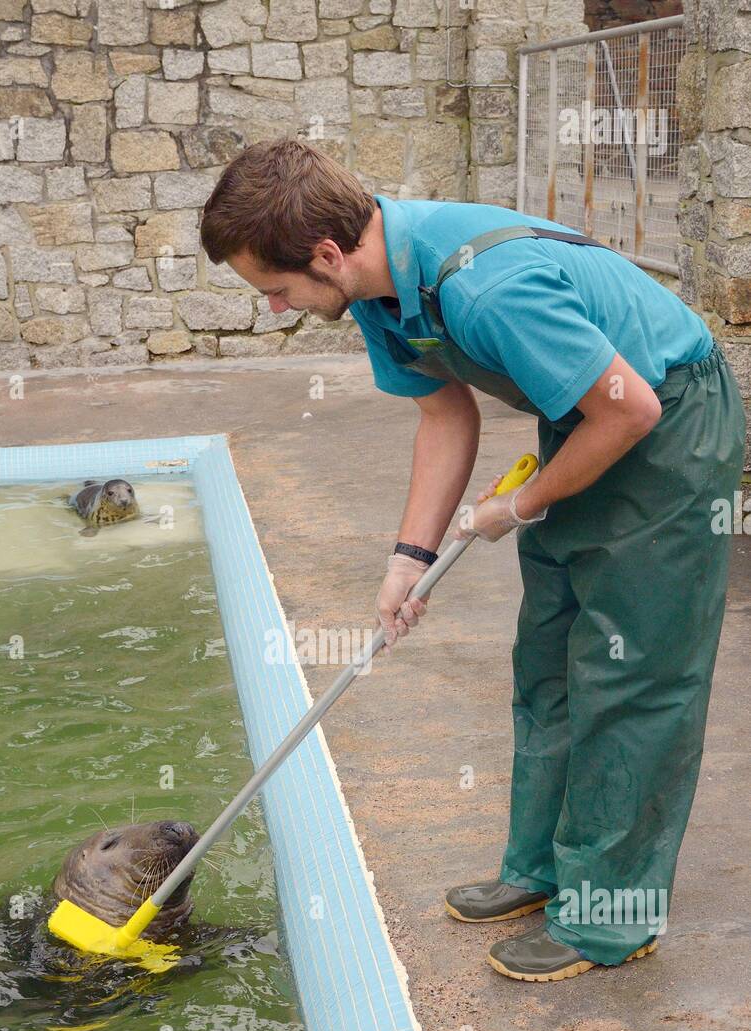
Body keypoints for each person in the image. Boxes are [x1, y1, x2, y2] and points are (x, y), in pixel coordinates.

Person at [200, 139, 746, 983]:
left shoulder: (487, 288)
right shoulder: (382, 297)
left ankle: (609, 916)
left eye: (275, 290)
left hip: (667, 417)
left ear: (327, 255)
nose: (273, 308)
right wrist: (404, 562)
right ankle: (540, 870)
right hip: (589, 417)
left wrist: (519, 506)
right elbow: (444, 417)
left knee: (633, 671)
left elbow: (630, 410)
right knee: (551, 653)